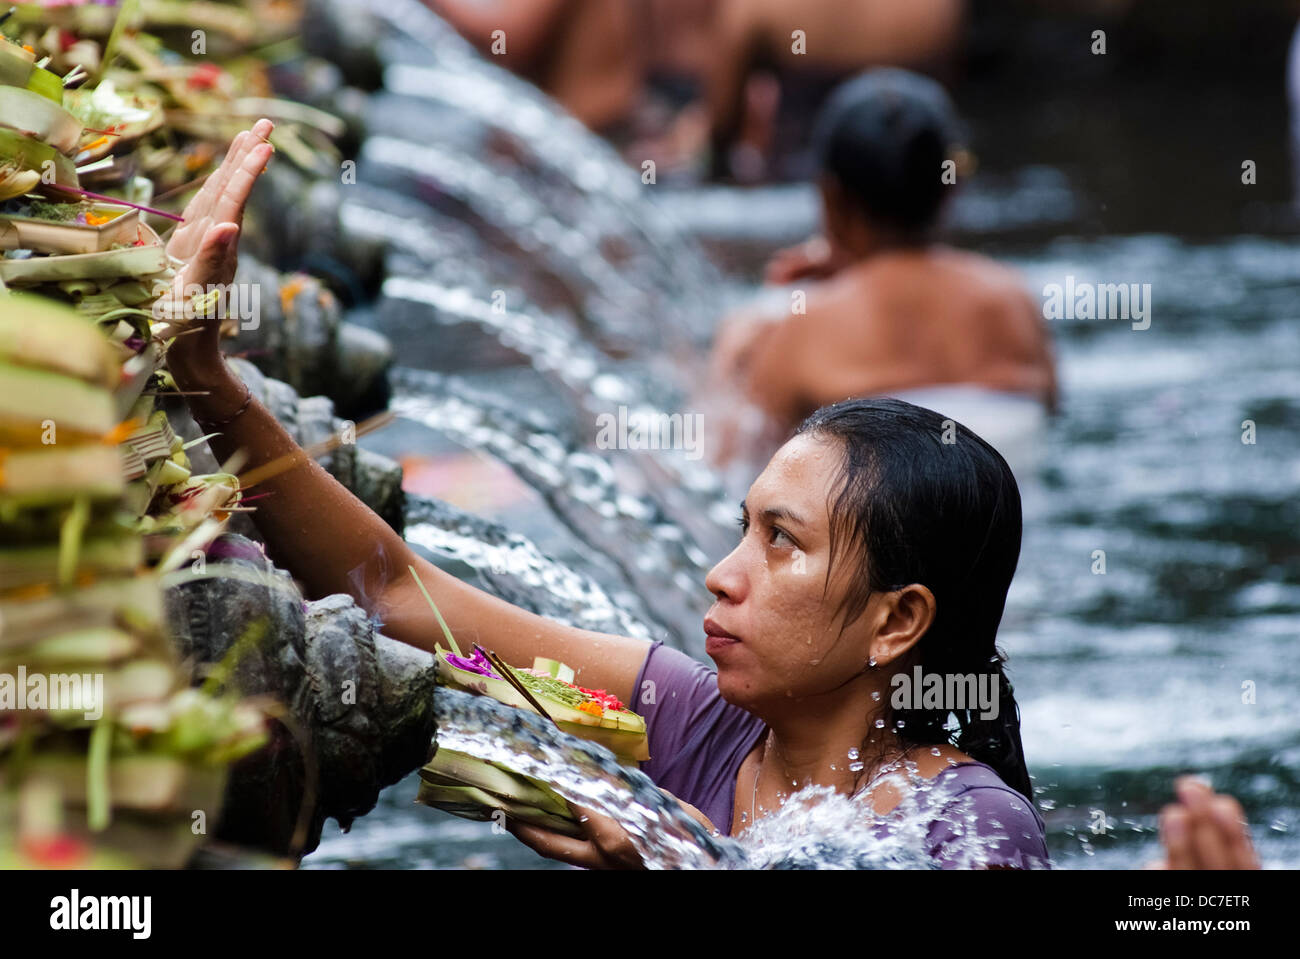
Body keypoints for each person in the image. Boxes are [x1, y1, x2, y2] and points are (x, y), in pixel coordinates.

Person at [162, 121, 1259, 871]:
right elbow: (404, 592)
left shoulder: (968, 828)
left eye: (780, 545)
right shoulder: (695, 722)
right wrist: (206, 377)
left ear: (898, 619)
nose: (718, 572)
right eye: (743, 526)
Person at [702, 69, 1059, 489]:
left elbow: (724, 471)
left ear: (829, 196)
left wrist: (741, 335)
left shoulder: (798, 327)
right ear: (951, 188)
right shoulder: (1014, 301)